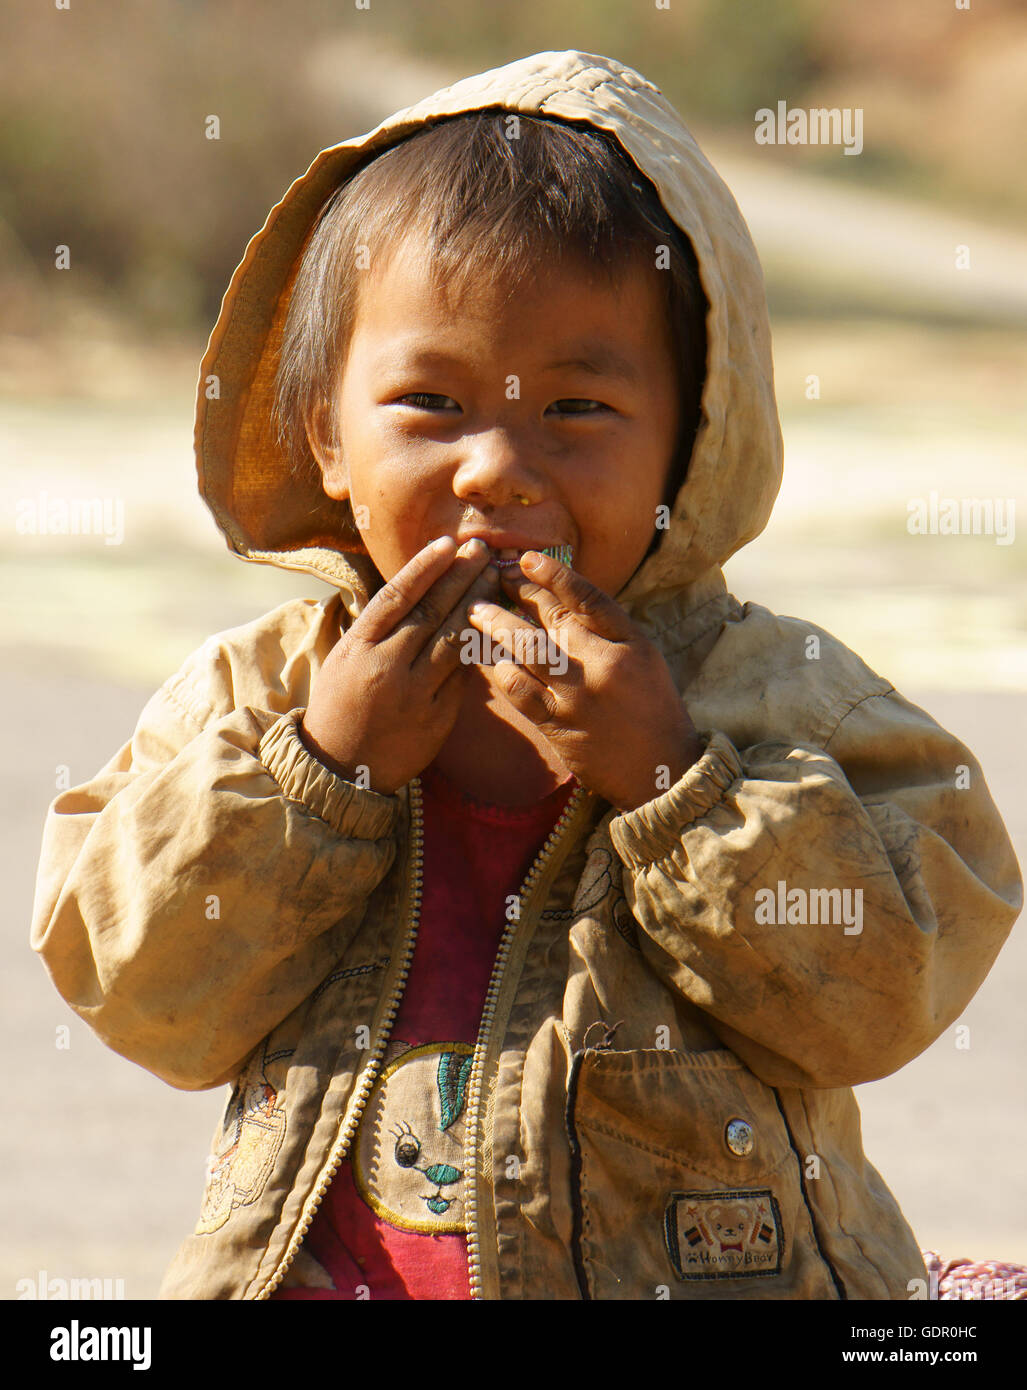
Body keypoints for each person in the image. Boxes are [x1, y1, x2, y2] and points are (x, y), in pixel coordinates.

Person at [29, 49, 1021, 1301]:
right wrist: (317, 774)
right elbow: (139, 992)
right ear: (327, 435)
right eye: (432, 401)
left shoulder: (784, 698)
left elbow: (884, 993)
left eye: (577, 410)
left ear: (688, 440)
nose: (497, 468)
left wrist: (674, 784)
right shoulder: (256, 697)